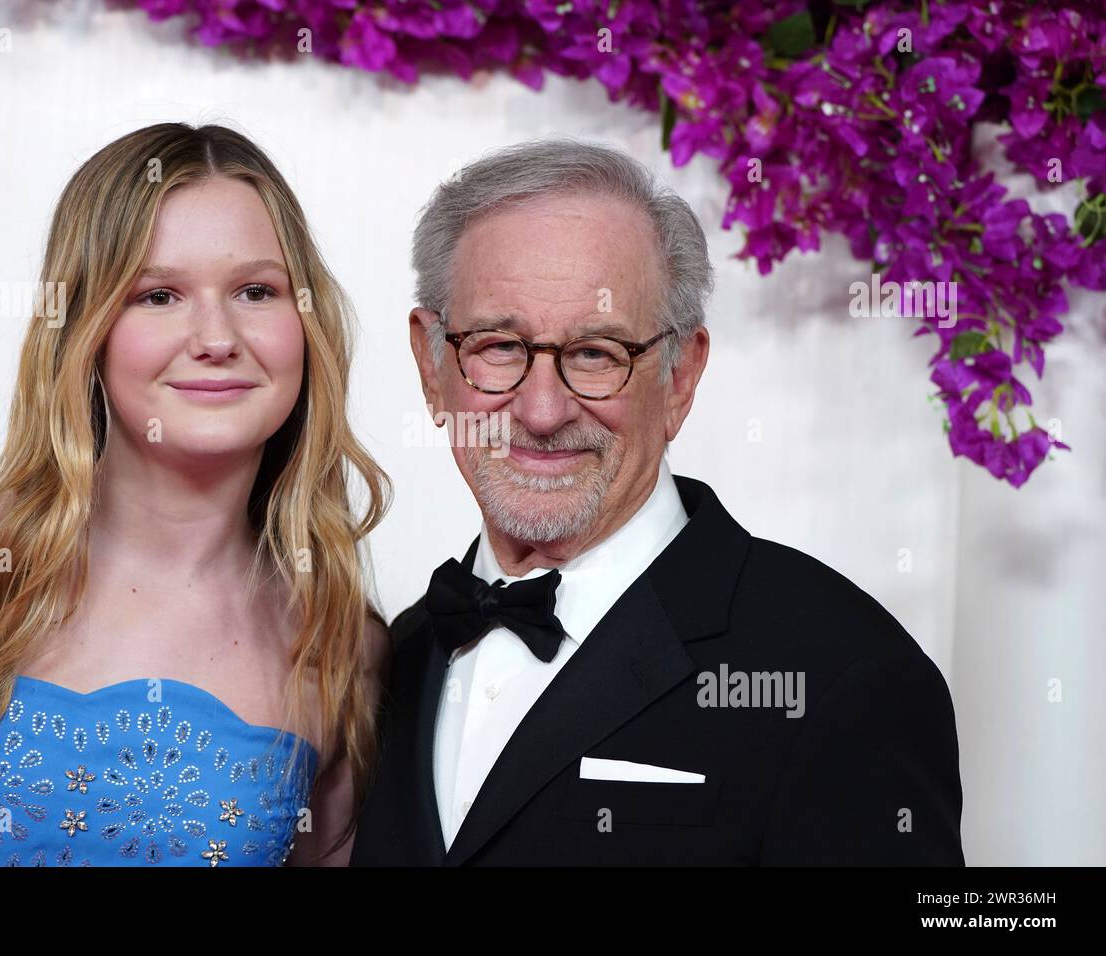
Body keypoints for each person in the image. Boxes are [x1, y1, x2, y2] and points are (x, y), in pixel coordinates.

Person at [350, 138, 964, 866]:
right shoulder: (393, 657)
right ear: (431, 363)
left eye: (596, 354)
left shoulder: (840, 675)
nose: (543, 411)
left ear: (679, 378)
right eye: (498, 346)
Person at [0, 123, 390, 867]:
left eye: (255, 290)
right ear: (85, 330)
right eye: (159, 294)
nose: (216, 336)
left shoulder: (338, 641)